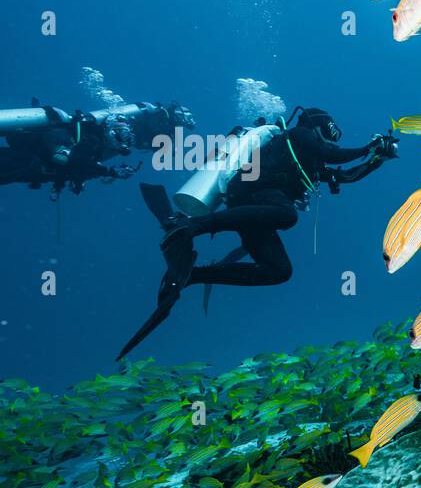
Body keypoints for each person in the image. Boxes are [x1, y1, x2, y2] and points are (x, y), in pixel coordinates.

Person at [117, 107, 398, 360]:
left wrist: (376, 159)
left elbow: (344, 176)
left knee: (279, 270)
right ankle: (191, 226)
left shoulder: (309, 159)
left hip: (258, 211)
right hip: (252, 194)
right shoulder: (298, 134)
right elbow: (333, 155)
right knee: (288, 216)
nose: (328, 139)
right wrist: (368, 146)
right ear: (317, 125)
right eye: (327, 132)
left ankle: (194, 275)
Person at [0, 100, 195, 193]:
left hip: (32, 164)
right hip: (29, 162)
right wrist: (110, 172)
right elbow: (75, 163)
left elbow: (78, 165)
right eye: (120, 136)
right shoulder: (86, 139)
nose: (122, 143)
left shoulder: (92, 142)